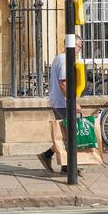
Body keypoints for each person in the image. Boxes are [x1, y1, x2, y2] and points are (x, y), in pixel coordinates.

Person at [38, 34, 82, 175]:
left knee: (66, 134)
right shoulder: (64, 60)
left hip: (59, 101)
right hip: (63, 102)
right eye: (78, 46)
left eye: (80, 46)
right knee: (69, 134)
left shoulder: (59, 58)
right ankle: (52, 158)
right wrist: (73, 102)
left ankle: (64, 165)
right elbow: (63, 83)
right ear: (70, 45)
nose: (79, 49)